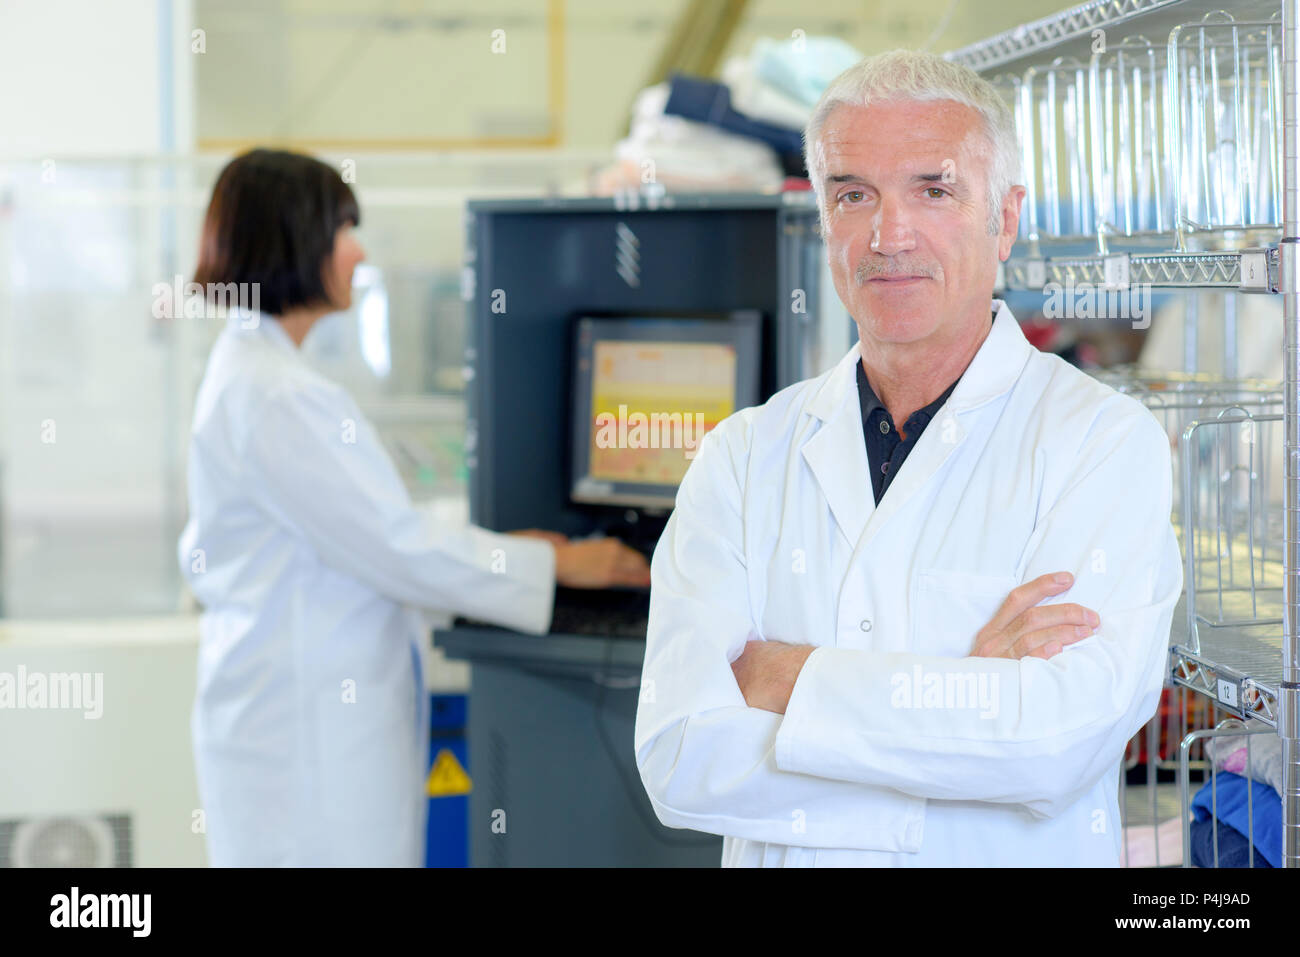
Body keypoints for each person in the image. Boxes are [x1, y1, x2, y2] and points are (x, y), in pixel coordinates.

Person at [634, 50, 1183, 867]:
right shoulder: (743, 455)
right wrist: (966, 696)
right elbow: (681, 759)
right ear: (824, 219)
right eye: (854, 195)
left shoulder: (1100, 442)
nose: (890, 236)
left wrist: (788, 680)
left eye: (934, 189)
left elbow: (1053, 746)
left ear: (1005, 219)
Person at [179, 148, 649, 867]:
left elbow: (366, 531)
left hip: (289, 717)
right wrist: (559, 562)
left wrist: (509, 548)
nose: (358, 250)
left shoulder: (256, 372)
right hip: (306, 739)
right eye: (342, 228)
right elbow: (395, 548)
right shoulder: (279, 396)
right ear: (292, 241)